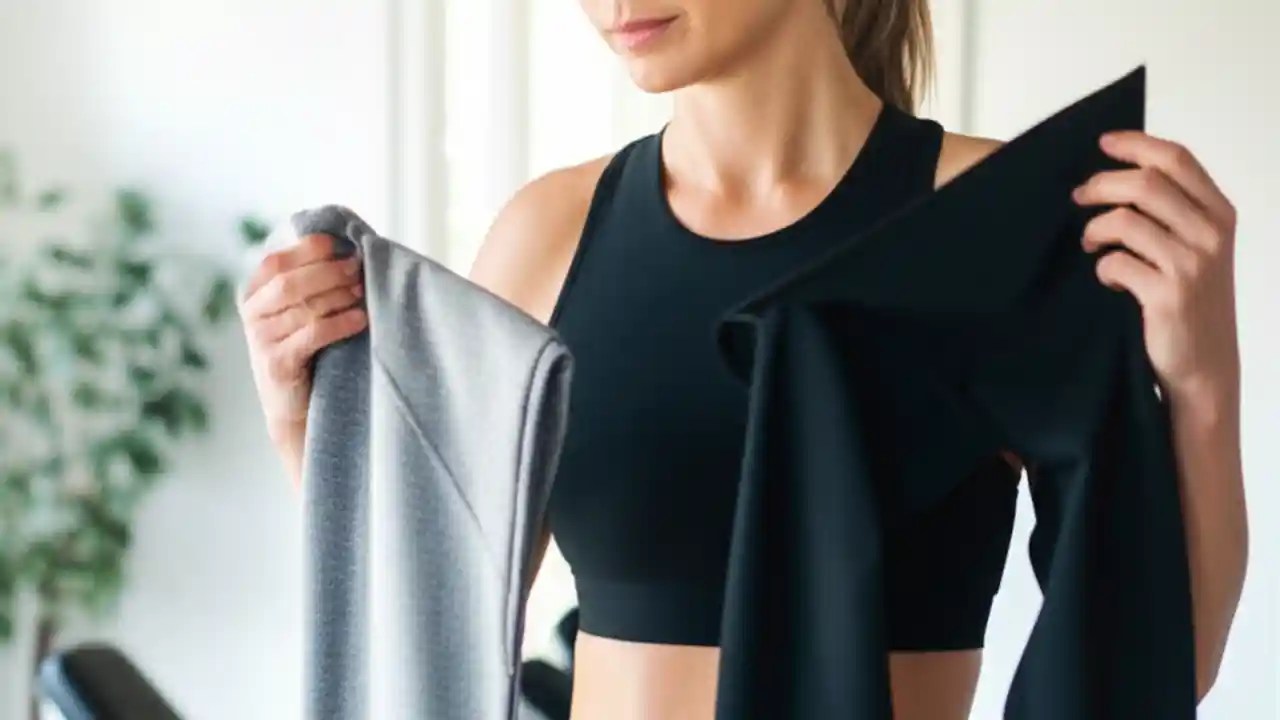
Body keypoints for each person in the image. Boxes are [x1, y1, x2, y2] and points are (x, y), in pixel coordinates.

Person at [236, 1, 1248, 718]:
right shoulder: (543, 236)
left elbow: (1152, 665)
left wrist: (1199, 380)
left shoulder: (996, 224)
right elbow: (428, 621)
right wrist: (303, 422)